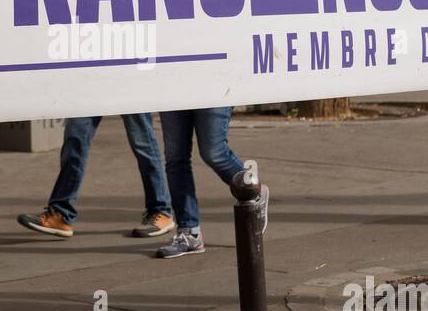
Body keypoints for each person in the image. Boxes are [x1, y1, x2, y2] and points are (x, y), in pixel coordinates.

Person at [17, 115, 174, 239]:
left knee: (142, 142)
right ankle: (61, 214)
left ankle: (160, 210)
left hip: (127, 81)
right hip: (91, 81)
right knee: (75, 139)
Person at [156, 107, 266, 258]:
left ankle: (254, 191)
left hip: (212, 89)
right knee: (175, 158)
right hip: (172, 90)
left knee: (214, 153)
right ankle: (190, 233)